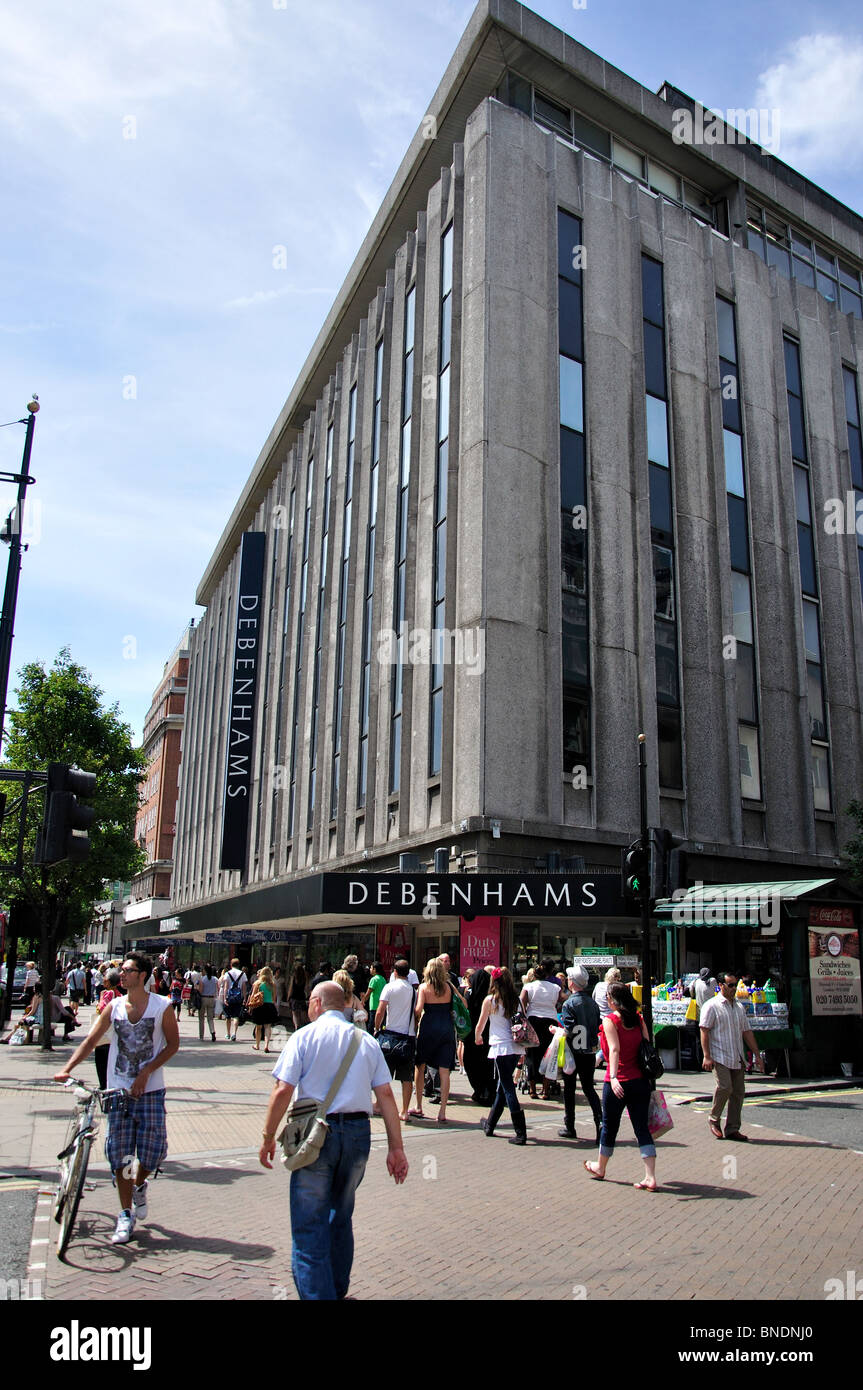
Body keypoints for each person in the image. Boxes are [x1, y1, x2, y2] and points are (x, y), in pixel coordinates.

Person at [258, 981, 409, 1300]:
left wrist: (269, 1136)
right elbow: (385, 1095)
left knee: (309, 1225)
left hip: (316, 1136)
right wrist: (396, 1148)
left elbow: (283, 1090)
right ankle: (337, 1290)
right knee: (340, 1217)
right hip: (357, 1134)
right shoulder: (366, 1041)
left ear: (315, 1003)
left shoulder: (303, 1037)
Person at [54, 952, 180, 1245]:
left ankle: (139, 1185)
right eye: (121, 970)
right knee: (121, 1154)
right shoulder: (114, 1007)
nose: (120, 974)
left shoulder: (162, 1007)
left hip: (150, 1092)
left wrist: (147, 1071)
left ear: (142, 975)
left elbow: (173, 1045)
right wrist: (67, 1068)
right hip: (119, 1091)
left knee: (153, 1153)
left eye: (127, 970)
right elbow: (90, 1040)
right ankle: (125, 1214)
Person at [583, 983, 658, 1191]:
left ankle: (600, 1166)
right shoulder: (639, 1019)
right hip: (640, 1081)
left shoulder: (611, 1020)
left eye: (608, 997)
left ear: (613, 1000)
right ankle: (650, 1176)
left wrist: (614, 1077)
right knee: (642, 1128)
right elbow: (646, 1045)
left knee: (609, 1126)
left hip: (618, 1081)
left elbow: (614, 1049)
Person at [700, 972, 765, 1140]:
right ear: (720, 985)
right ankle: (714, 1119)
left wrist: (757, 1055)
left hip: (737, 1055)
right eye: (730, 985)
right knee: (725, 1087)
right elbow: (704, 1031)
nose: (734, 988)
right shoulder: (711, 1006)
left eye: (735, 985)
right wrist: (706, 1056)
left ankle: (732, 1128)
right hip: (719, 1055)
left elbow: (747, 1031)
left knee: (738, 1093)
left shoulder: (739, 1007)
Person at [475, 967, 527, 1144]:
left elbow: (481, 1024)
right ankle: (490, 1124)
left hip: (500, 1046)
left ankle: (520, 1132)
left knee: (507, 1087)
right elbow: (524, 1021)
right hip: (515, 1046)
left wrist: (477, 1037)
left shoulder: (490, 1000)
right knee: (502, 1087)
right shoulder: (516, 1000)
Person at [409, 958, 462, 1123]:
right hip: (446, 1029)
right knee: (444, 1071)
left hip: (428, 1029)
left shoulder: (424, 988)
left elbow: (418, 1011)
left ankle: (418, 1106)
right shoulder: (449, 987)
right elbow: (463, 1003)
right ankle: (442, 1111)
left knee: (420, 1066)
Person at [559, 964, 603, 1143]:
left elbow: (569, 1029)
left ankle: (570, 1126)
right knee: (588, 1088)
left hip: (572, 1052)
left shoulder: (569, 1003)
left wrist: (557, 1031)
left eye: (569, 978)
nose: (568, 981)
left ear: (572, 982)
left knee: (569, 1089)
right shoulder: (592, 1003)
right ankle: (600, 1123)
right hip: (589, 1051)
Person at [374, 959, 417, 1120]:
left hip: (390, 1036)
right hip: (407, 1037)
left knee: (384, 1074)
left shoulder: (389, 987)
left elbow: (380, 1010)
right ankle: (404, 1111)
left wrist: (377, 1028)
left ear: (395, 972)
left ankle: (379, 1105)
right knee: (406, 1077)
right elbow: (416, 1012)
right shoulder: (414, 992)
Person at [519, 959, 564, 1100]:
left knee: (532, 1054)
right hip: (550, 1022)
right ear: (546, 975)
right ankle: (546, 1090)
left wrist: (524, 1016)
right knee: (548, 1054)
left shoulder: (529, 987)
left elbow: (521, 1003)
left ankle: (532, 1089)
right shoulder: (555, 988)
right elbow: (560, 1000)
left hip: (533, 1021)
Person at [462, 966, 495, 1104]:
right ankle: (489, 1091)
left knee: (471, 1063)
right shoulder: (492, 997)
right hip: (489, 1034)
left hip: (472, 1035)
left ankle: (479, 1089)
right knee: (488, 1065)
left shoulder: (470, 994)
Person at [94, 968, 123, 1088]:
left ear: (109, 982)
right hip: (116, 1033)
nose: (103, 981)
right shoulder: (120, 994)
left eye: (105, 979)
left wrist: (100, 1000)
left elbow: (103, 1010)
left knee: (101, 1061)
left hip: (105, 1033)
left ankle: (103, 1085)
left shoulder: (108, 993)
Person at [250, 965, 279, 1052]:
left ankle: (257, 1045)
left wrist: (251, 1006)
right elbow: (274, 998)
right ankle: (266, 1045)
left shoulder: (258, 983)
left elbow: (253, 996)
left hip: (259, 1006)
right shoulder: (272, 984)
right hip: (269, 1006)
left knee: (258, 1027)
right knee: (267, 1026)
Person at [223, 958, 248, 1041]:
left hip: (229, 997)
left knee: (228, 1016)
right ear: (238, 965)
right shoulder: (243, 974)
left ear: (231, 964)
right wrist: (244, 998)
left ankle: (228, 1033)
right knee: (236, 1016)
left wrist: (224, 997)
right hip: (238, 997)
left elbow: (226, 987)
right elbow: (244, 987)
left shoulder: (227, 973)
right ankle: (234, 1033)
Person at [362, 961, 387, 1035]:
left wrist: (363, 1001)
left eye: (371, 968)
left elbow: (368, 993)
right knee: (381, 1025)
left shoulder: (374, 979)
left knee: (371, 1026)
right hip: (382, 1006)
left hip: (374, 1006)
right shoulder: (383, 979)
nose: (370, 969)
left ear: (375, 969)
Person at [198, 963, 218, 1041]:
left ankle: (201, 1035)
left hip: (203, 998)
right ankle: (212, 1031)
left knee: (201, 1018)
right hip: (212, 999)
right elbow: (217, 988)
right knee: (210, 1018)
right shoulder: (215, 979)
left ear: (205, 970)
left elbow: (201, 990)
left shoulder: (202, 979)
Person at [289, 964, 310, 1030]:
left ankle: (296, 1026)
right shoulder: (304, 978)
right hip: (301, 997)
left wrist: (288, 996)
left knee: (295, 1014)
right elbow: (306, 988)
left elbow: (291, 988)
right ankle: (304, 1026)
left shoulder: (294, 978)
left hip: (294, 997)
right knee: (303, 1013)